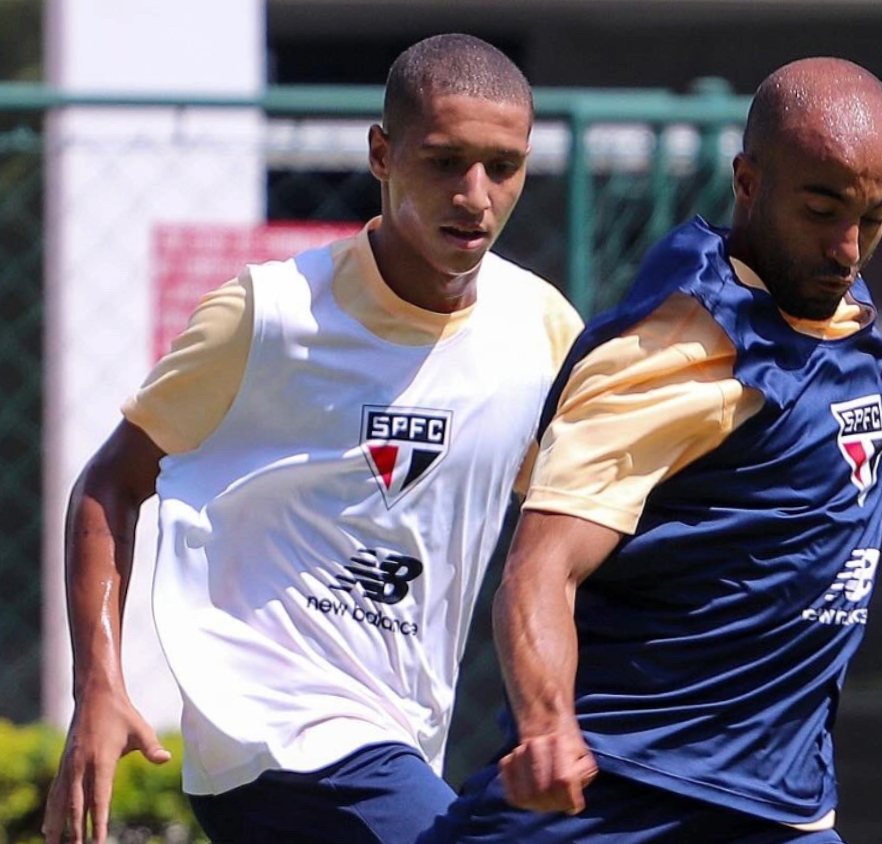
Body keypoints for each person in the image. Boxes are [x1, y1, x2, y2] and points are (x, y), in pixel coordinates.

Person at [42, 33, 582, 844]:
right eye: (443, 161)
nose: (475, 194)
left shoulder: (539, 329)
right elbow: (111, 484)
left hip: (403, 731)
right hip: (268, 729)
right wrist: (98, 685)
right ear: (381, 154)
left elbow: (570, 534)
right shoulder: (269, 315)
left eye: (501, 166)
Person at [427, 55, 882, 843]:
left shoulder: (841, 312)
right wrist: (547, 726)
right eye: (822, 210)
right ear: (747, 181)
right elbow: (542, 565)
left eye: (876, 216)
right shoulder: (675, 350)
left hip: (784, 802)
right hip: (625, 795)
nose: (848, 248)